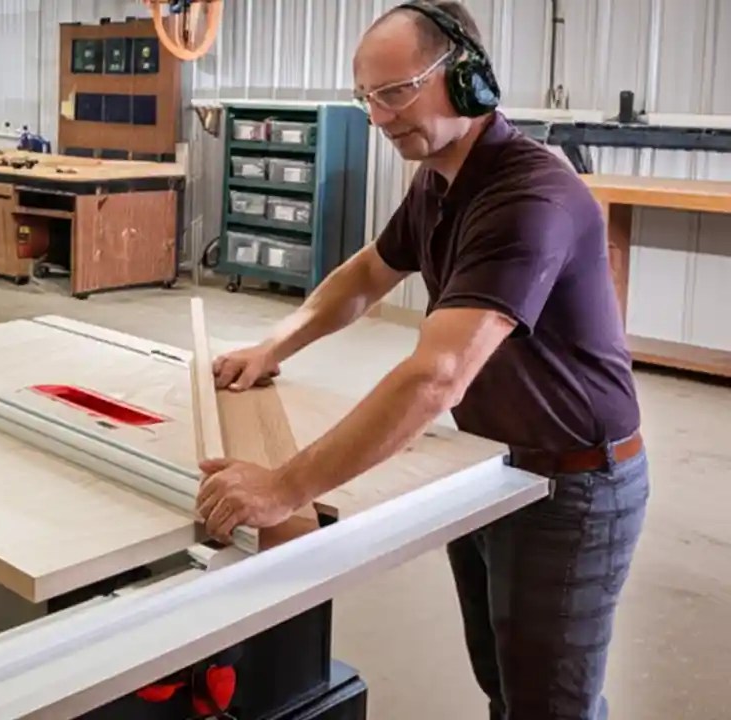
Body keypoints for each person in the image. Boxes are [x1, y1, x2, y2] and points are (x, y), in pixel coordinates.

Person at [195, 2, 649, 718]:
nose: (379, 118)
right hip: (495, 464)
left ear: (466, 78)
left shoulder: (528, 195)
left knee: (550, 705)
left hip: (576, 481)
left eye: (396, 91)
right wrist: (273, 346)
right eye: (368, 97)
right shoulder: (440, 178)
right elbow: (368, 274)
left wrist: (285, 487)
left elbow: (436, 376)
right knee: (504, 680)